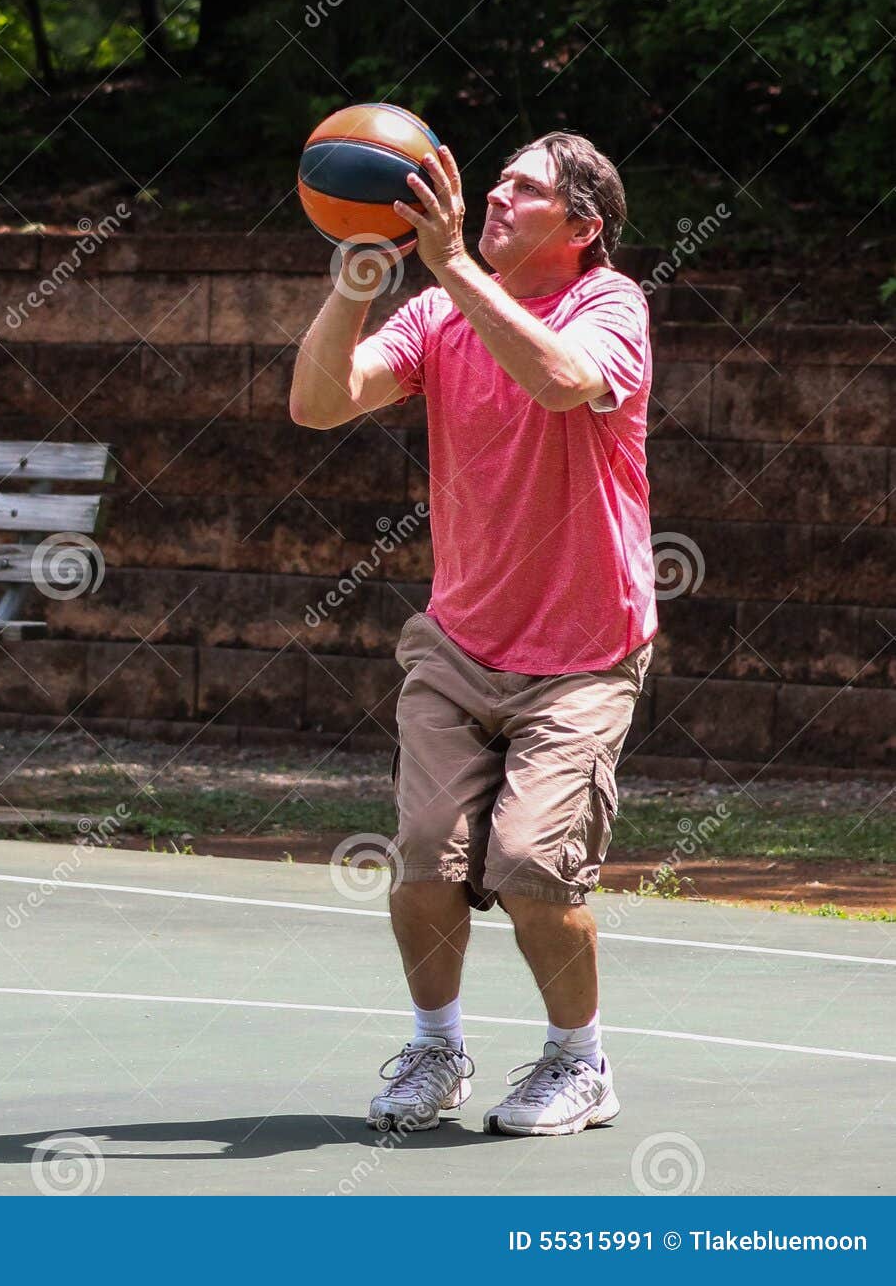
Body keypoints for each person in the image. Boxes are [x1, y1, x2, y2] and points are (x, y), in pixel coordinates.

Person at [288, 130, 656, 1138]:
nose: (494, 197)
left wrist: (448, 261)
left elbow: (561, 381)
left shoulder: (609, 305)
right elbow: (317, 403)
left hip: (583, 651)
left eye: (522, 189)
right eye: (495, 183)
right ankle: (435, 1048)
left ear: (581, 225)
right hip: (458, 642)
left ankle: (579, 1063)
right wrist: (355, 282)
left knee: (532, 865)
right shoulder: (437, 312)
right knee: (423, 861)